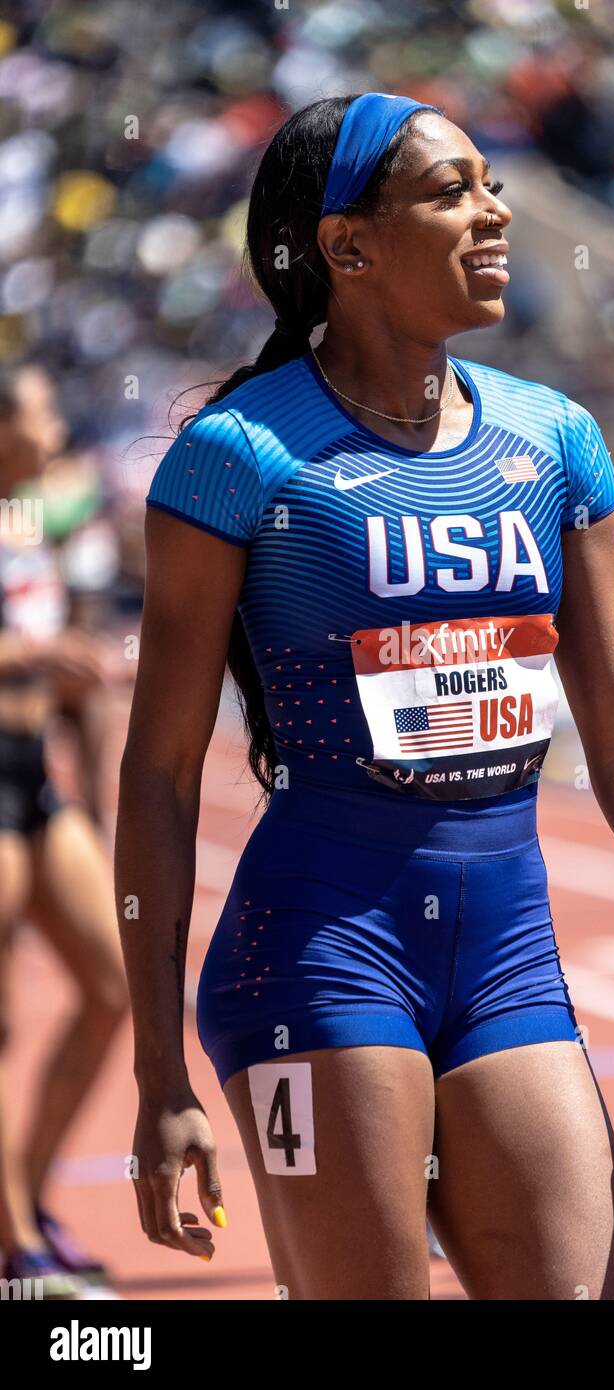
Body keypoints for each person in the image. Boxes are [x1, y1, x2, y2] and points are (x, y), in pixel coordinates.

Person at [117, 93, 614, 1300]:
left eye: (489, 183)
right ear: (346, 246)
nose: (495, 214)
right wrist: (157, 1071)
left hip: (508, 954)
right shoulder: (239, 456)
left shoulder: (554, 440)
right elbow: (161, 769)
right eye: (452, 191)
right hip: (318, 952)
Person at [0, 373, 128, 1295]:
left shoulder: (34, 524)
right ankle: (19, 1250)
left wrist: (100, 801)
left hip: (33, 782)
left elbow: (75, 667)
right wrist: (32, 655)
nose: (56, 426)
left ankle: (28, 1198)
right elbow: (34, 650)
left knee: (111, 987)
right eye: (41, 410)